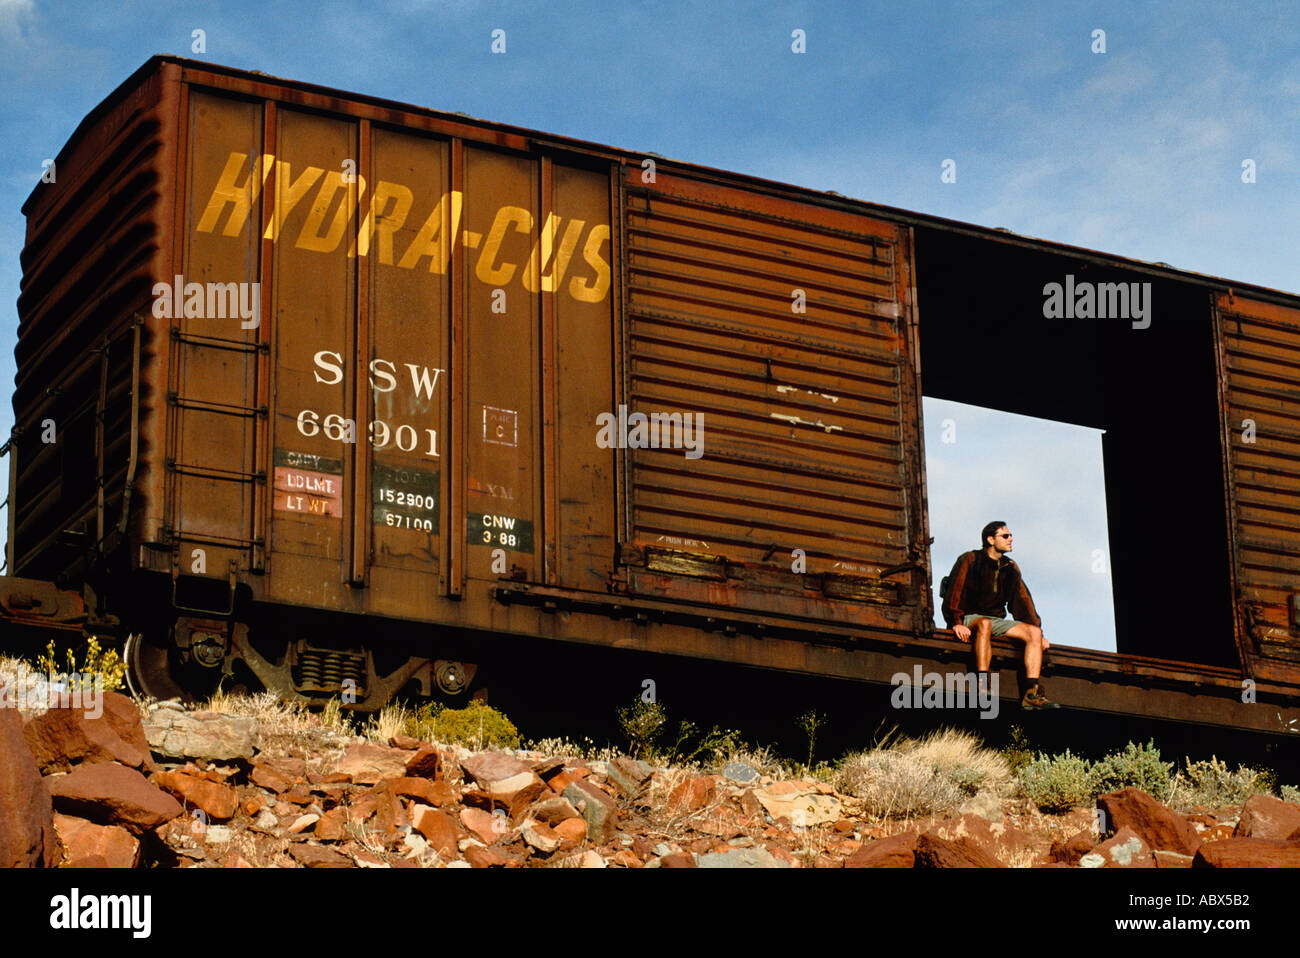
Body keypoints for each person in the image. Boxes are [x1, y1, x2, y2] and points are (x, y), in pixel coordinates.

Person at [941, 521, 1059, 710]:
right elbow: (955, 590)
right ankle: (982, 685)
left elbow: (1022, 601)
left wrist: (1038, 631)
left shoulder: (1010, 567)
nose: (1011, 539)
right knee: (985, 624)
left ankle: (1031, 694)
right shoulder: (970, 559)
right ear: (990, 539)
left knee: (1034, 634)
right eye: (1005, 536)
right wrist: (955, 622)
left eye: (1011, 535)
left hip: (996, 621)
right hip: (970, 617)